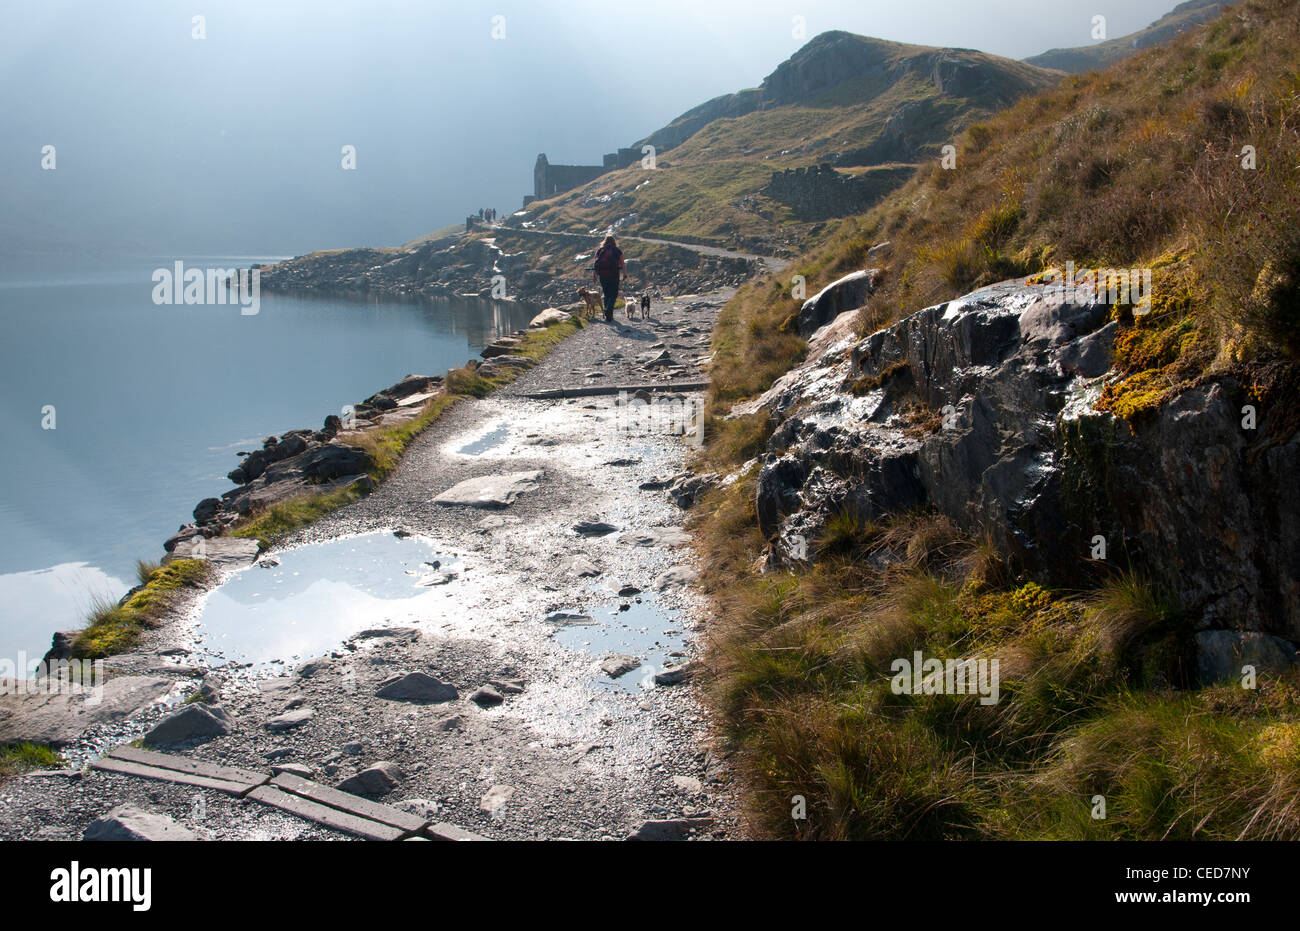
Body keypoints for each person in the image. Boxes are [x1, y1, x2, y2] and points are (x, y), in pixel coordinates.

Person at [592, 235, 625, 322]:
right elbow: (622, 263)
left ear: (605, 241)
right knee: (613, 294)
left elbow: (595, 263)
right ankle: (609, 309)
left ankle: (608, 315)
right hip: (614, 275)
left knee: (606, 294)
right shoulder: (617, 250)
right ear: (614, 241)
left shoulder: (600, 250)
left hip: (603, 275)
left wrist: (595, 275)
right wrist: (624, 274)